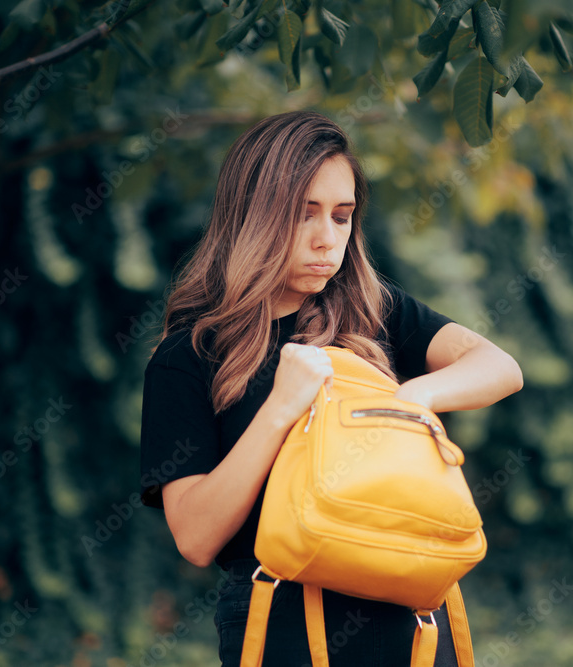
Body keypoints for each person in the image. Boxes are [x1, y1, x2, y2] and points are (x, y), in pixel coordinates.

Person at [139, 110, 523, 667]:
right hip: (285, 625)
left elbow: (499, 367)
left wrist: (412, 400)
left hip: (411, 618)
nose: (327, 239)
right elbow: (196, 537)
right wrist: (280, 409)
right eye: (304, 214)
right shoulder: (190, 355)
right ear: (254, 217)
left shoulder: (375, 310)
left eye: (342, 217)